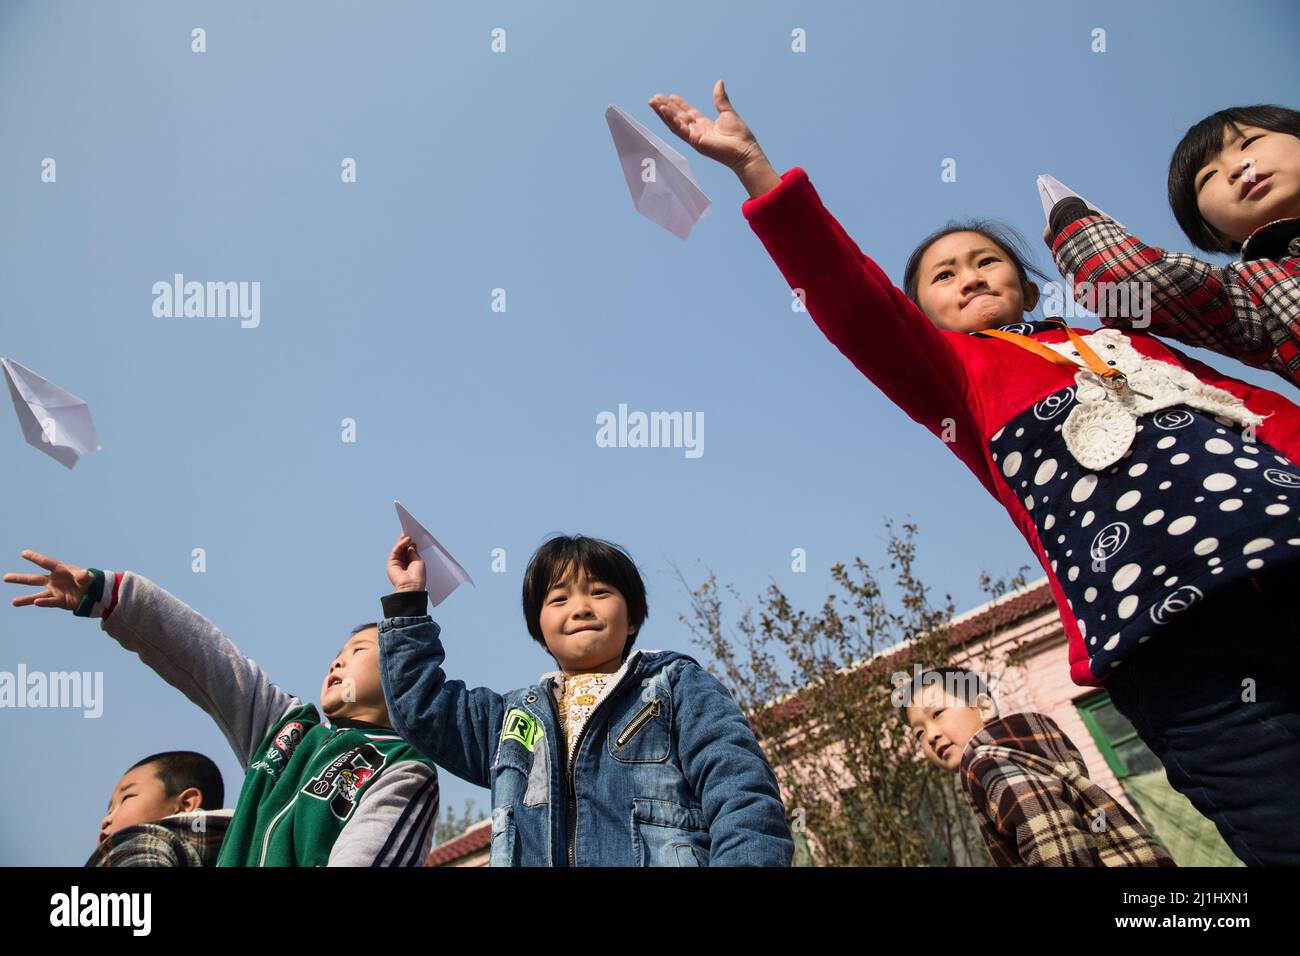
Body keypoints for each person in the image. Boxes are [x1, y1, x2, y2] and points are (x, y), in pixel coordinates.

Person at [647, 80, 1300, 865]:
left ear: (1027, 285)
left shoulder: (1131, 343)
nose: (969, 277)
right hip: (1173, 645)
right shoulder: (959, 378)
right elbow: (851, 298)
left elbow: (1265, 417)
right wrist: (756, 170)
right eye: (943, 276)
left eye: (986, 261)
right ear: (921, 315)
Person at [378, 532, 794, 866]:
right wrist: (409, 601)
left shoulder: (676, 687)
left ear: (632, 618)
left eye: (599, 592)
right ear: (540, 633)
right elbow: (422, 708)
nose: (579, 608)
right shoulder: (508, 719)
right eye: (558, 599)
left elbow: (743, 796)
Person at [4, 551, 439, 866]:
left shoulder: (403, 767)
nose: (337, 660)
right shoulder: (288, 731)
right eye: (337, 651)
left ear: (400, 673)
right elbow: (209, 658)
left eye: (358, 650)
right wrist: (111, 596)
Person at [1047, 105, 1300, 386]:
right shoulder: (1253, 292)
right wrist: (1072, 221)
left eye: (1248, 142)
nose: (1237, 168)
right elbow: (1130, 278)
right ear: (1213, 232)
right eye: (1208, 176)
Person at [900, 667, 1173, 867]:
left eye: (937, 714)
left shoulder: (986, 761)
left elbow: (1054, 842)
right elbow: (1096, 826)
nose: (931, 735)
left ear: (983, 707)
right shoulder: (1041, 759)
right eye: (919, 734)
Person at [87, 750, 231, 867]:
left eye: (126, 797)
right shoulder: (244, 851)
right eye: (110, 811)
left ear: (185, 804)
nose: (105, 820)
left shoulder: (143, 842)